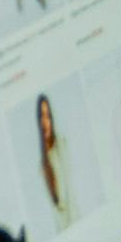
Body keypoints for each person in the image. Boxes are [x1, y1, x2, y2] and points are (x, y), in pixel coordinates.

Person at [34, 91, 74, 224]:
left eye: (48, 116)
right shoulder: (41, 166)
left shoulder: (62, 145)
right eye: (41, 116)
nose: (45, 122)